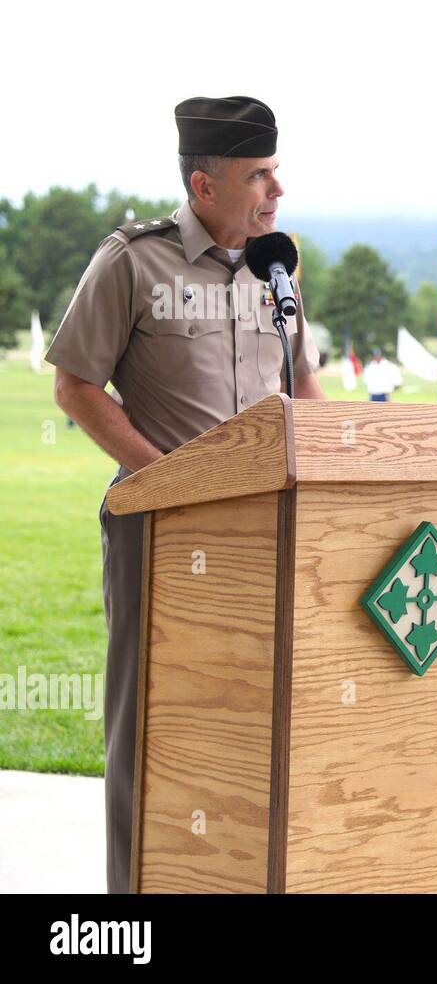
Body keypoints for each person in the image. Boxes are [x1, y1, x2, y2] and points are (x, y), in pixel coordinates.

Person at [44, 96, 326, 894]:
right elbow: (74, 385)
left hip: (265, 531)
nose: (277, 191)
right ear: (204, 185)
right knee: (151, 722)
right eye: (259, 175)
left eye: (277, 171)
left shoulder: (280, 263)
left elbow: (300, 377)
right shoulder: (133, 262)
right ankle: (135, 903)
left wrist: (330, 465)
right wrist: (165, 478)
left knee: (253, 718)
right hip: (161, 531)